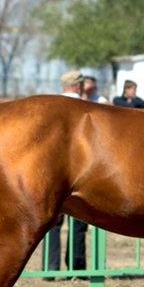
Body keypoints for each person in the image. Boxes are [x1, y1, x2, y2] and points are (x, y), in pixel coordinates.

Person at [45, 70, 88, 274]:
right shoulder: (86, 107)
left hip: (52, 169)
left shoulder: (52, 107)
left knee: (51, 222)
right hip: (84, 173)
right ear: (78, 85)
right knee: (80, 223)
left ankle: (50, 266)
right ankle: (76, 265)